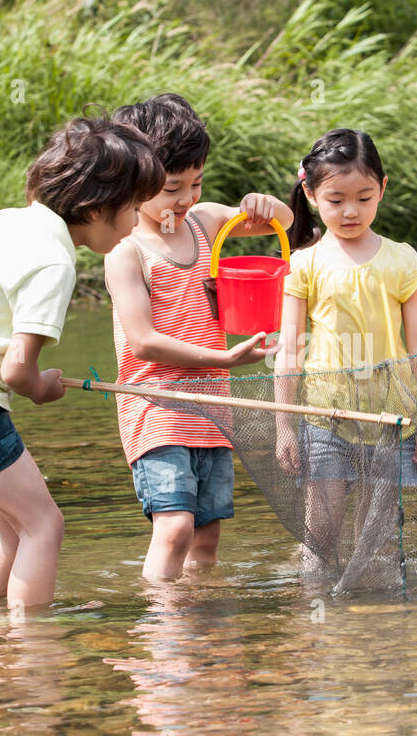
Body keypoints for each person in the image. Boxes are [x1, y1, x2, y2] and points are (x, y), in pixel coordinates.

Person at [0, 114, 163, 611]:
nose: (133, 227)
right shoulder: (54, 263)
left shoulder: (5, 221)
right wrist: (44, 387)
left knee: (13, 529)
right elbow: (18, 371)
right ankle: (32, 649)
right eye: (130, 210)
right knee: (44, 526)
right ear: (93, 207)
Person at [105, 93, 291, 582]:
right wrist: (224, 358)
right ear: (134, 182)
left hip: (212, 408)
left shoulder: (207, 222)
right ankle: (163, 631)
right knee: (174, 528)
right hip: (156, 406)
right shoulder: (125, 252)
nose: (185, 199)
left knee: (206, 536)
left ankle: (201, 629)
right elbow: (142, 341)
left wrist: (268, 207)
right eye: (171, 188)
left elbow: (282, 225)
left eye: (196, 183)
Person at [274, 128, 417, 572]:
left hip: (393, 413)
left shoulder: (402, 260)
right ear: (310, 193)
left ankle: (371, 627)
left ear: (382, 191)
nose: (351, 211)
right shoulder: (304, 263)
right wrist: (284, 426)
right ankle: (316, 618)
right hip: (326, 413)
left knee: (377, 538)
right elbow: (288, 350)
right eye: (336, 200)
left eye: (364, 198)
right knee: (321, 532)